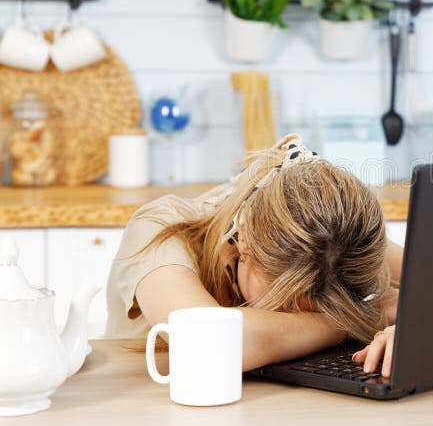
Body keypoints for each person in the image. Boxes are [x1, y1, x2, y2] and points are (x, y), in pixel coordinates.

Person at [106, 134, 400, 376]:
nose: (292, 321)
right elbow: (209, 343)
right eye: (285, 303)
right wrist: (356, 319)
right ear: (245, 239)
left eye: (317, 307)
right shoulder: (161, 228)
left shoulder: (334, 243)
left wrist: (404, 330)